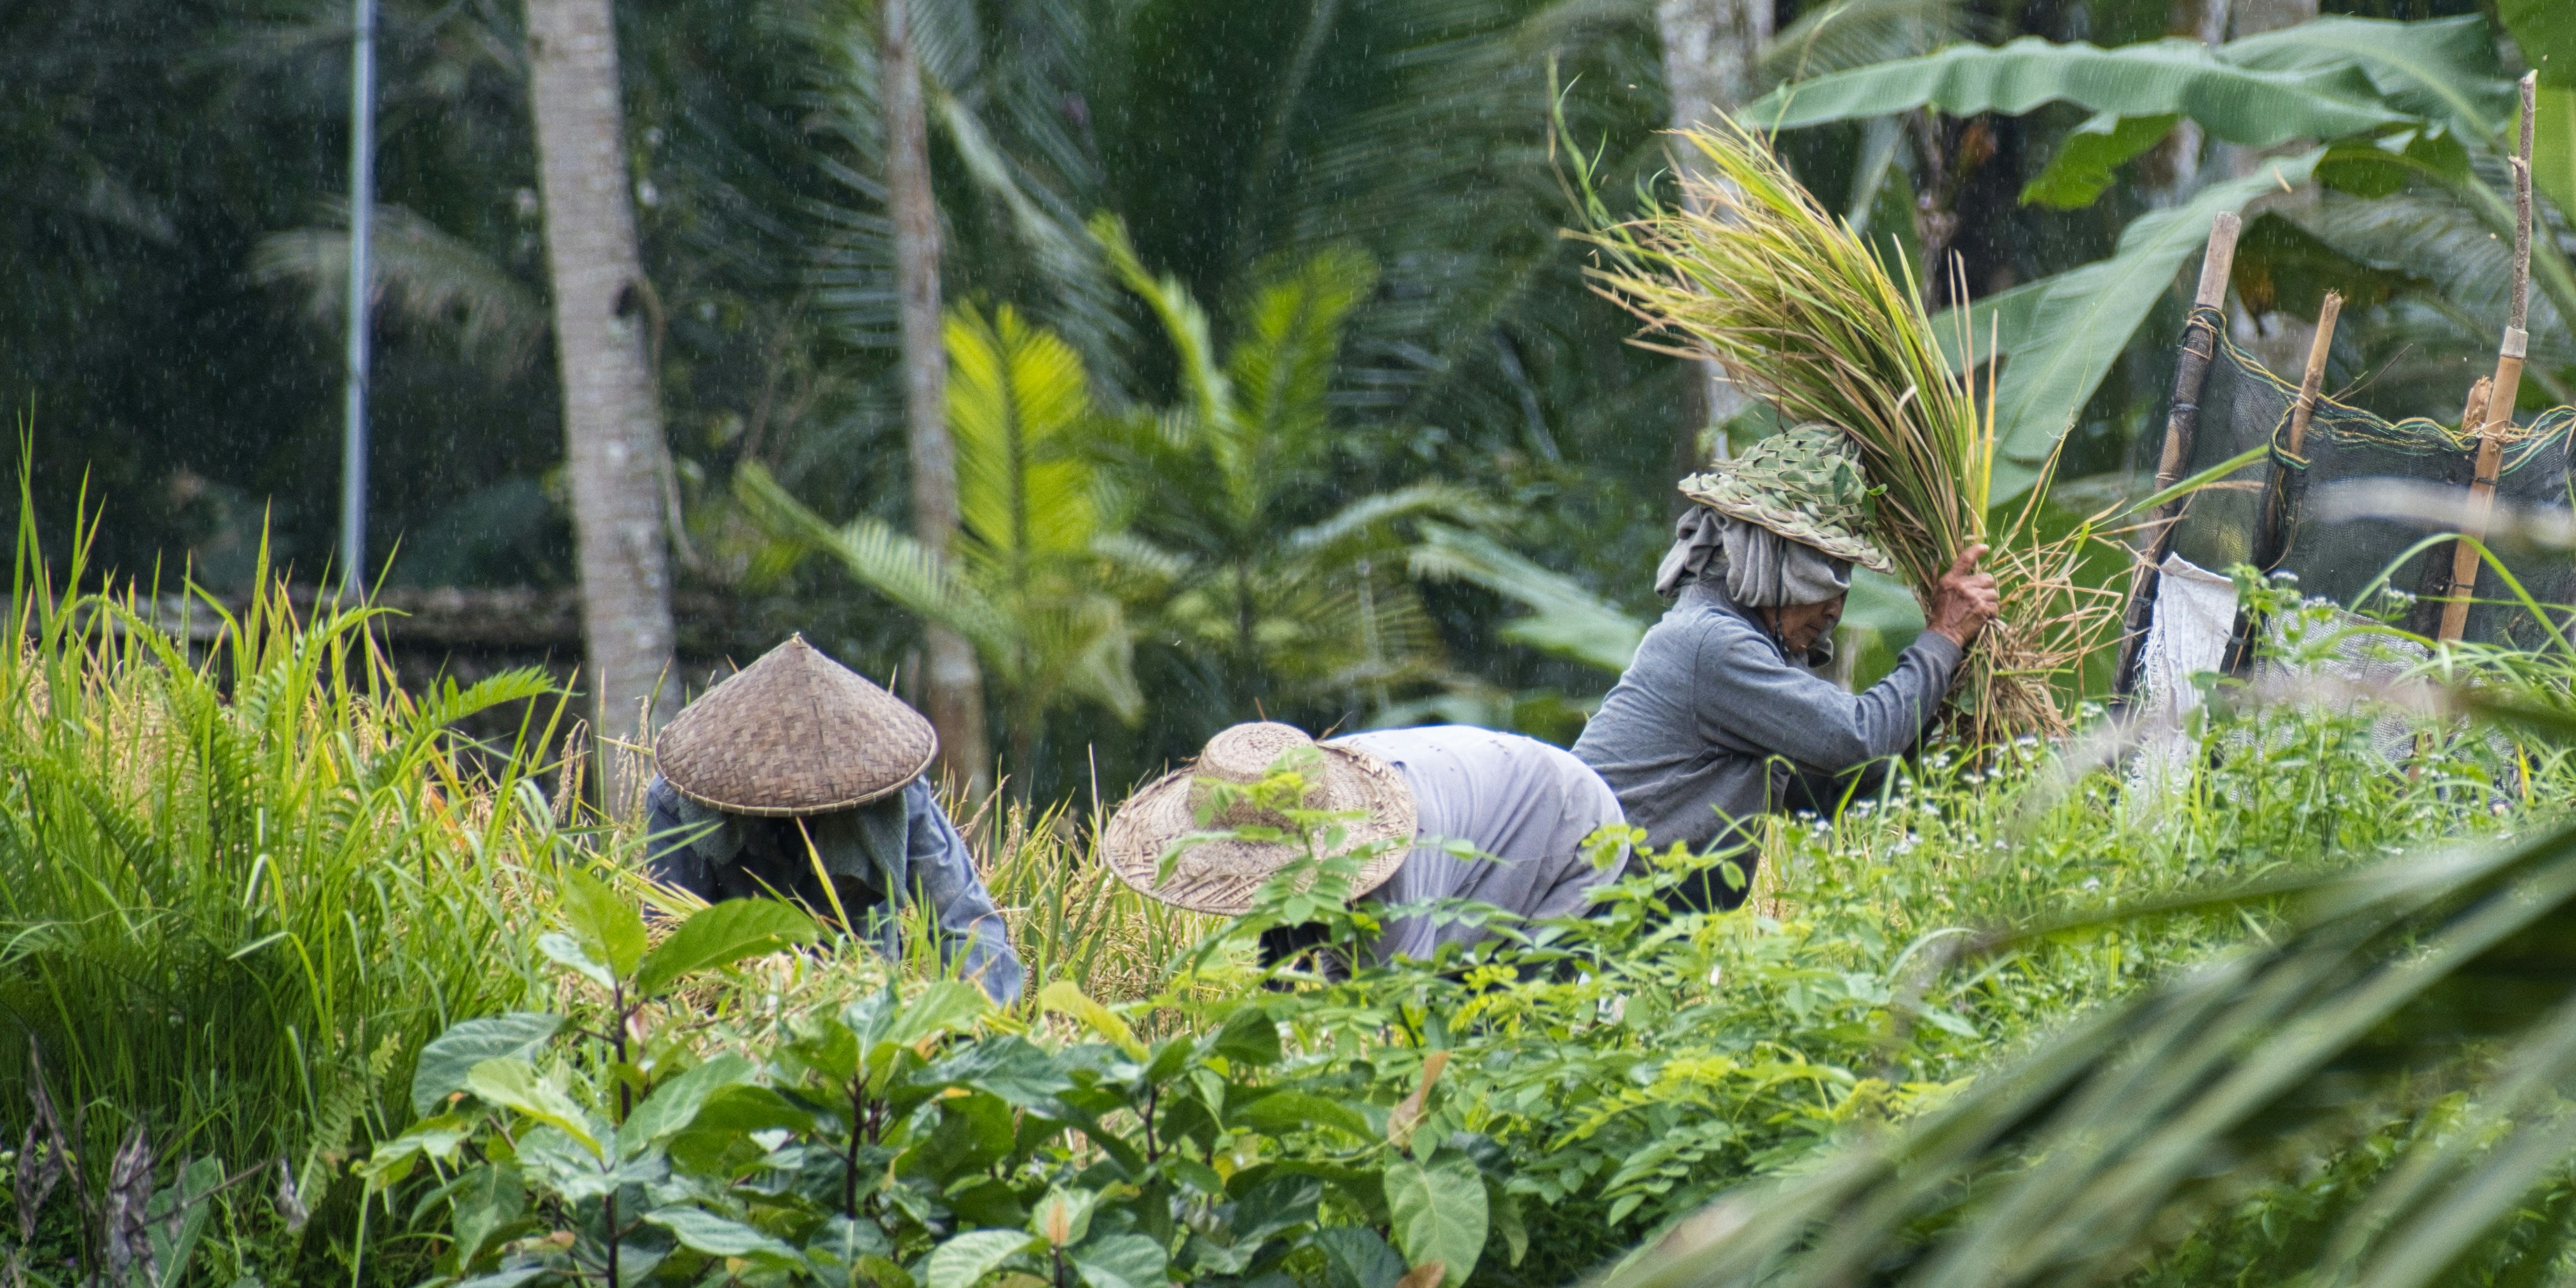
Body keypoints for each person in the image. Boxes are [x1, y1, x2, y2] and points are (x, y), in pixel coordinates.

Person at [1572, 423, 1999, 909]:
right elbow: (1856, 741)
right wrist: (1942, 639)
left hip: (1624, 930)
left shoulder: (1726, 649)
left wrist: (1937, 700)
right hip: (1584, 916)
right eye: (1822, 572)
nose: (1835, 608)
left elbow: (1831, 794)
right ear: (1766, 556)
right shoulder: (1711, 644)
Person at [638, 634, 1026, 1001]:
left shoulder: (890, 792)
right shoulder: (681, 802)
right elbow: (672, 944)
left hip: (864, 998)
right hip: (733, 1009)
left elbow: (965, 921)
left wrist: (971, 1030)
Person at [1103, 720, 1627, 965]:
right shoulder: (1296, 786)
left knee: (1499, 1024)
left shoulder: (1390, 860)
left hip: (1568, 825)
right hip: (1475, 797)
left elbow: (1390, 1012)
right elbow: (1283, 979)